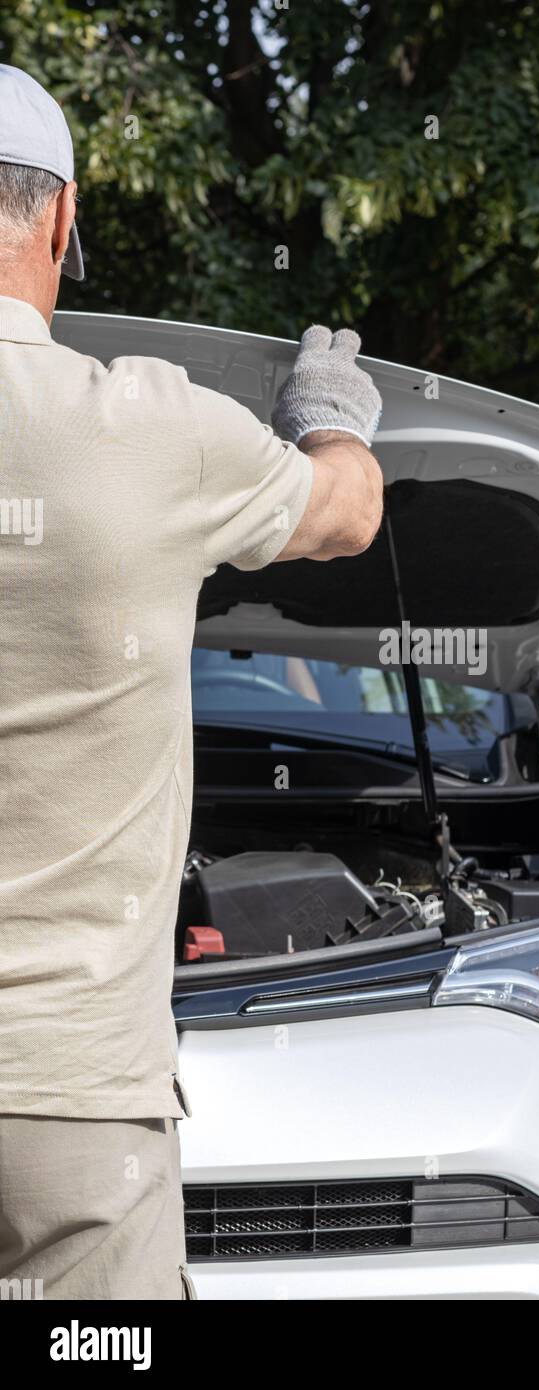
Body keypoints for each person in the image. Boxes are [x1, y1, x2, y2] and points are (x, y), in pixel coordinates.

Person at [0, 64, 383, 1300]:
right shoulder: (153, 427)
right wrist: (332, 420)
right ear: (61, 220)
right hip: (69, 1109)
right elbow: (345, 517)